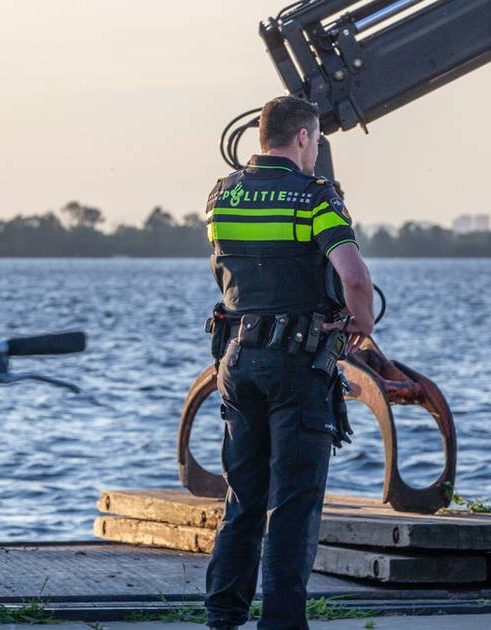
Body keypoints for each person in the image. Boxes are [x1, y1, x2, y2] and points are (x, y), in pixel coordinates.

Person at [202, 95, 374, 629]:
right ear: (303, 137)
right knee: (293, 510)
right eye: (317, 140)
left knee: (243, 502)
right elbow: (352, 276)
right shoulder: (315, 197)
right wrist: (360, 324)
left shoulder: (220, 197)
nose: (317, 149)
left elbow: (231, 276)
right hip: (296, 369)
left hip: (237, 361)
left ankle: (222, 619)